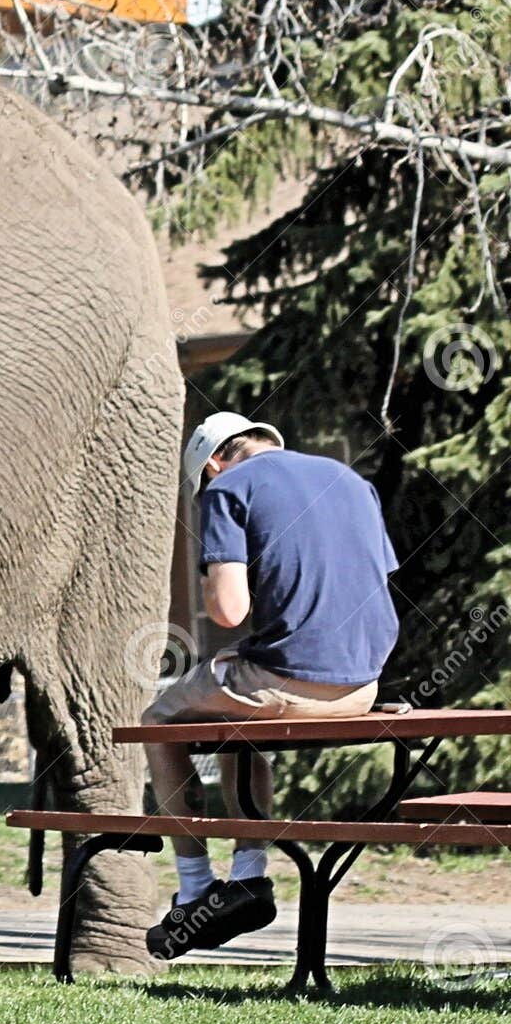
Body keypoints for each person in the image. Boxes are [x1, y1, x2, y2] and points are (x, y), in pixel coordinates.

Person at [142, 411, 399, 960]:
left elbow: (230, 610)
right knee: (238, 716)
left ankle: (195, 888)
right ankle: (246, 877)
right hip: (362, 686)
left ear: (213, 464)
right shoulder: (350, 480)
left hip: (288, 683)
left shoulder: (229, 485)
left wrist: (218, 586)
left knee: (157, 721)